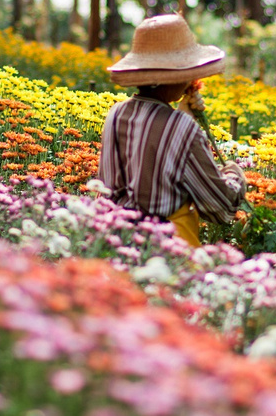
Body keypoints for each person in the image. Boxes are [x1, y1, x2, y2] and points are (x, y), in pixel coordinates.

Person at [98, 14, 247, 247]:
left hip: (115, 240)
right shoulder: (182, 128)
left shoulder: (116, 114)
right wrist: (234, 174)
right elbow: (218, 206)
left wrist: (182, 114)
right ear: (172, 76)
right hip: (164, 248)